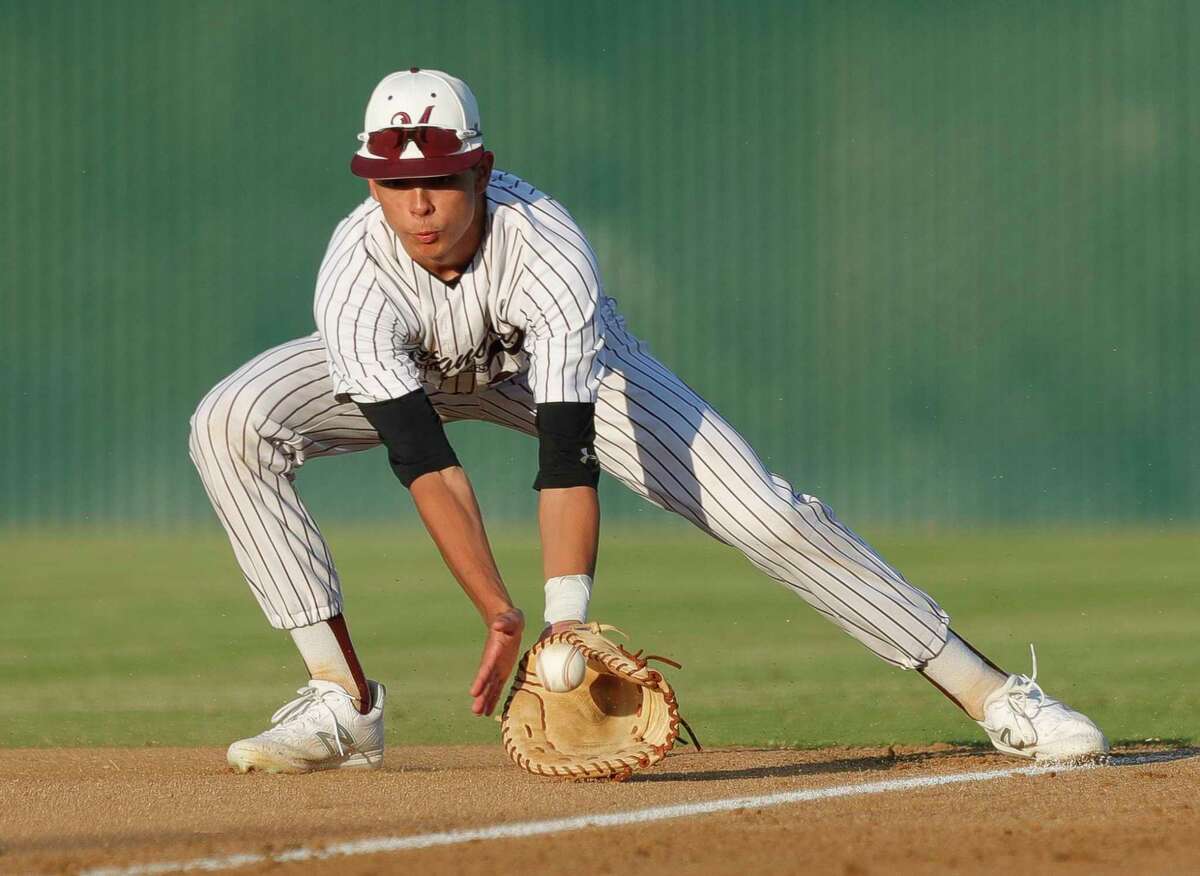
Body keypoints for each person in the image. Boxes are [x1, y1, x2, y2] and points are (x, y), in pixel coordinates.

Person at [189, 69, 1108, 774]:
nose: (416, 204)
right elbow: (424, 461)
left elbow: (565, 457)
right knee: (230, 421)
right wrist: (496, 611)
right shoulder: (354, 272)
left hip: (551, 373)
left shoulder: (544, 248)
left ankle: (991, 694)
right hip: (411, 377)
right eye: (393, 183)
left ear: (480, 169)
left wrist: (564, 623)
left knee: (766, 512)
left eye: (437, 178)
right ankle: (341, 699)